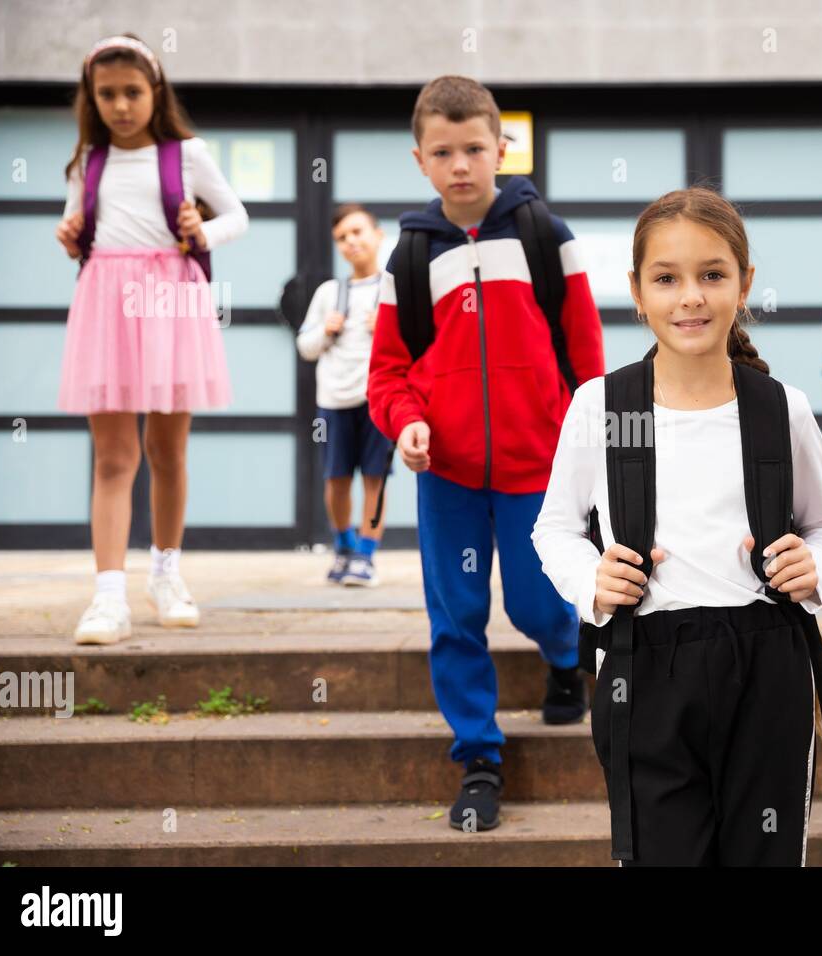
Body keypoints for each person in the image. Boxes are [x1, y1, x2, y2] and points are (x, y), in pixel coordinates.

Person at [532, 187, 822, 865]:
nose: (691, 297)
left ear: (744, 286)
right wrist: (590, 578)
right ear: (637, 292)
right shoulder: (601, 406)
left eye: (713, 274)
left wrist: (816, 565)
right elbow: (555, 528)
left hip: (767, 664)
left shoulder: (780, 408)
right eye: (667, 278)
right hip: (642, 667)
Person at [366, 75, 605, 831]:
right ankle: (478, 755)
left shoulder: (544, 237)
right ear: (420, 160)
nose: (462, 164)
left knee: (539, 603)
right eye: (444, 151)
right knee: (457, 614)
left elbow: (586, 354)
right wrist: (406, 421)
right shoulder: (407, 256)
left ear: (501, 148)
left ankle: (564, 658)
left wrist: (584, 436)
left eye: (475, 148)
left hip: (539, 469)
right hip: (449, 479)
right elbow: (387, 372)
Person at [55, 34, 248, 645]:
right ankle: (108, 595)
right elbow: (83, 232)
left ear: (154, 91)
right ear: (91, 97)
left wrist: (202, 230)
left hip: (170, 299)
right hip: (106, 303)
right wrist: (70, 235)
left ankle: (166, 574)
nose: (120, 105)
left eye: (132, 92)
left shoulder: (187, 155)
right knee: (114, 457)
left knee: (167, 450)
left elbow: (236, 215)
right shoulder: (88, 163)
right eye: (106, 94)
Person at [296, 203, 391, 586]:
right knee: (336, 480)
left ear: (377, 234)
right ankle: (343, 548)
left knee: (374, 480)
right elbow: (305, 345)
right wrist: (326, 331)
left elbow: (422, 343)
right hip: (334, 401)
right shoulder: (328, 293)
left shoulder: (393, 288)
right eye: (342, 238)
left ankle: (366, 557)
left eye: (357, 232)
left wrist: (386, 328)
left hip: (377, 400)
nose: (350, 242)